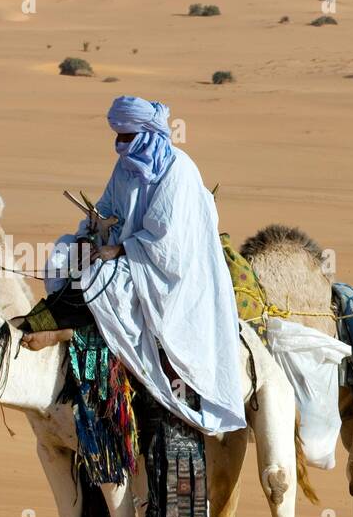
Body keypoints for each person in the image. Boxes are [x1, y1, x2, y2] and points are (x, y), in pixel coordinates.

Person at [28, 96, 245, 436]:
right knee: (64, 253)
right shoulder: (126, 167)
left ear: (146, 134)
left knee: (104, 279)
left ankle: (68, 330)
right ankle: (47, 316)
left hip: (169, 271)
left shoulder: (179, 170)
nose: (120, 144)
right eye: (117, 136)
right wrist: (91, 231)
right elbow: (107, 206)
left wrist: (121, 248)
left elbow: (168, 238)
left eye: (126, 137)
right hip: (123, 250)